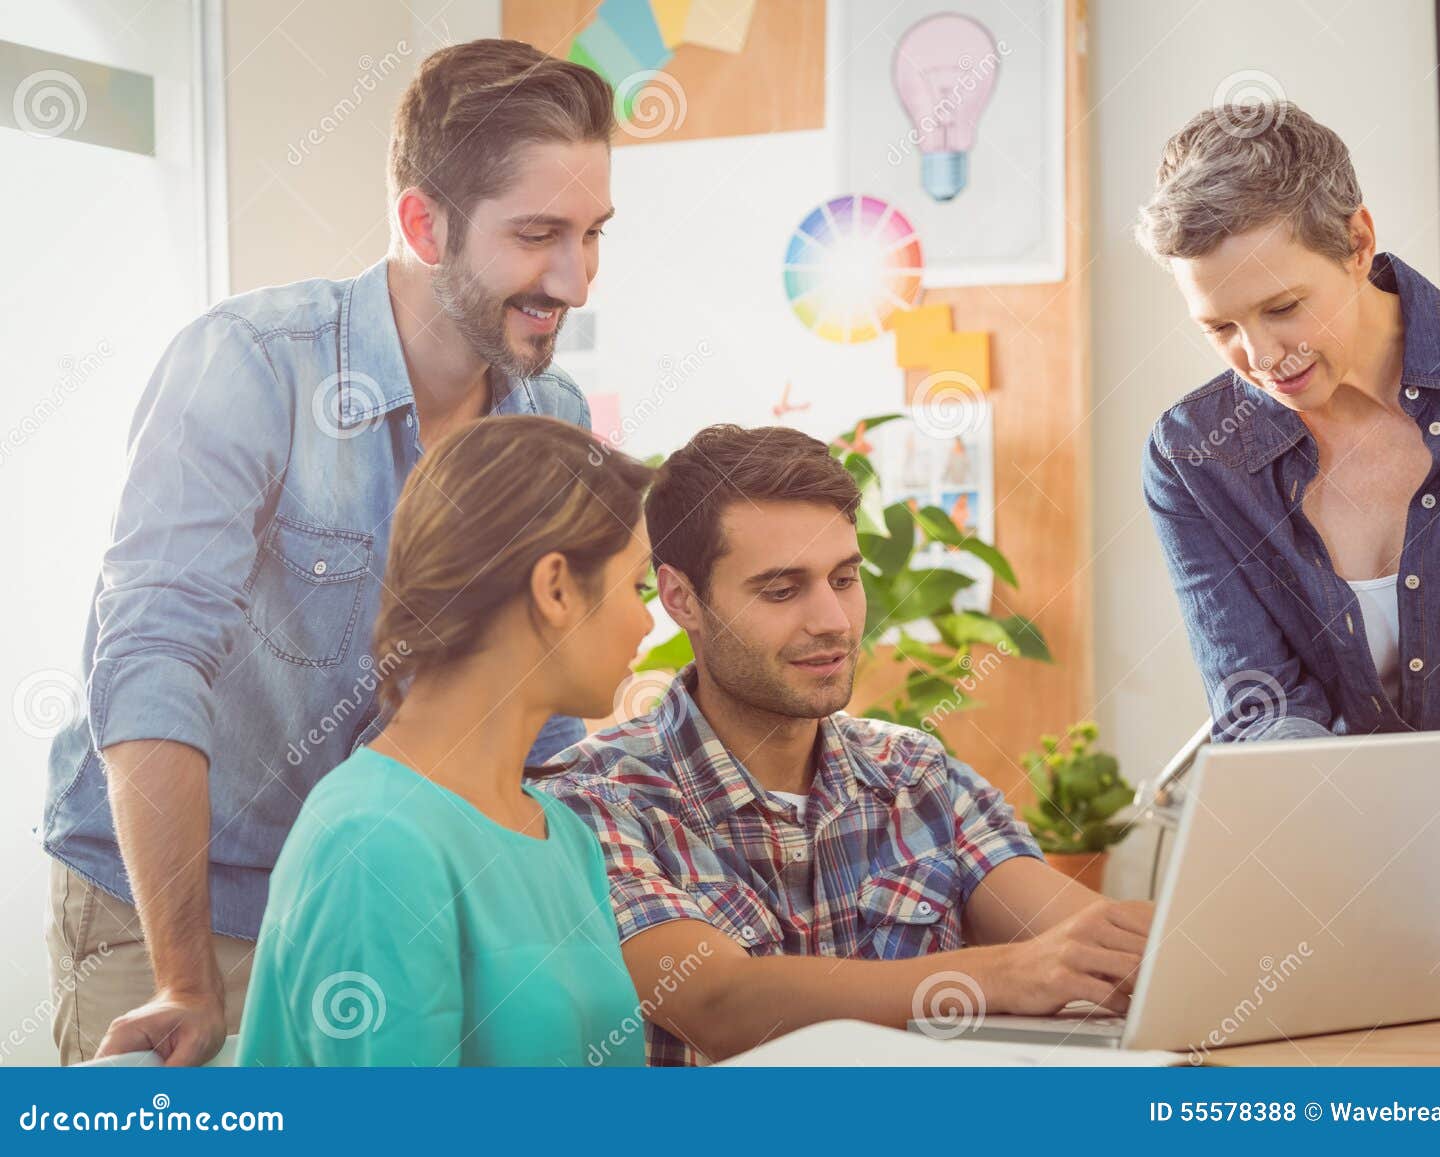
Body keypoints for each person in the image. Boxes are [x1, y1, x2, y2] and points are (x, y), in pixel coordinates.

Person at [41, 39, 617, 1065]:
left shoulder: (553, 417)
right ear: (421, 222)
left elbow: (532, 717)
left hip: (395, 894)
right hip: (177, 892)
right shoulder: (251, 364)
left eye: (591, 233)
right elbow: (151, 660)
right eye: (538, 235)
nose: (573, 277)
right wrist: (185, 975)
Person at [1137, 100, 1440, 989]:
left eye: (1282, 307)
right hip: (1354, 938)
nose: (1262, 356)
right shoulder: (1193, 459)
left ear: (1358, 240)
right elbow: (1260, 709)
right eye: (1220, 328)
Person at [548, 424, 1154, 1065]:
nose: (833, 622)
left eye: (843, 579)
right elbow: (718, 1003)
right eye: (781, 590)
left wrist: (1151, 955)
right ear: (681, 599)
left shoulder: (915, 774)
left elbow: (1080, 938)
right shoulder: (593, 799)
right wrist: (1005, 975)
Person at [238, 416, 653, 1066]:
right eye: (638, 585)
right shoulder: (376, 843)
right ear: (555, 588)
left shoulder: (564, 838)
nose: (648, 619)